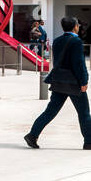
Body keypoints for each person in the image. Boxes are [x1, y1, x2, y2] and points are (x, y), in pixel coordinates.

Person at [24, 16, 91, 149]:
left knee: (50, 111)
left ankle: (32, 135)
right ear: (75, 26)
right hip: (74, 83)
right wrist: (84, 81)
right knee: (84, 112)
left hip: (59, 81)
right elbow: (79, 64)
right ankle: (89, 141)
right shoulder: (76, 41)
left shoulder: (57, 40)